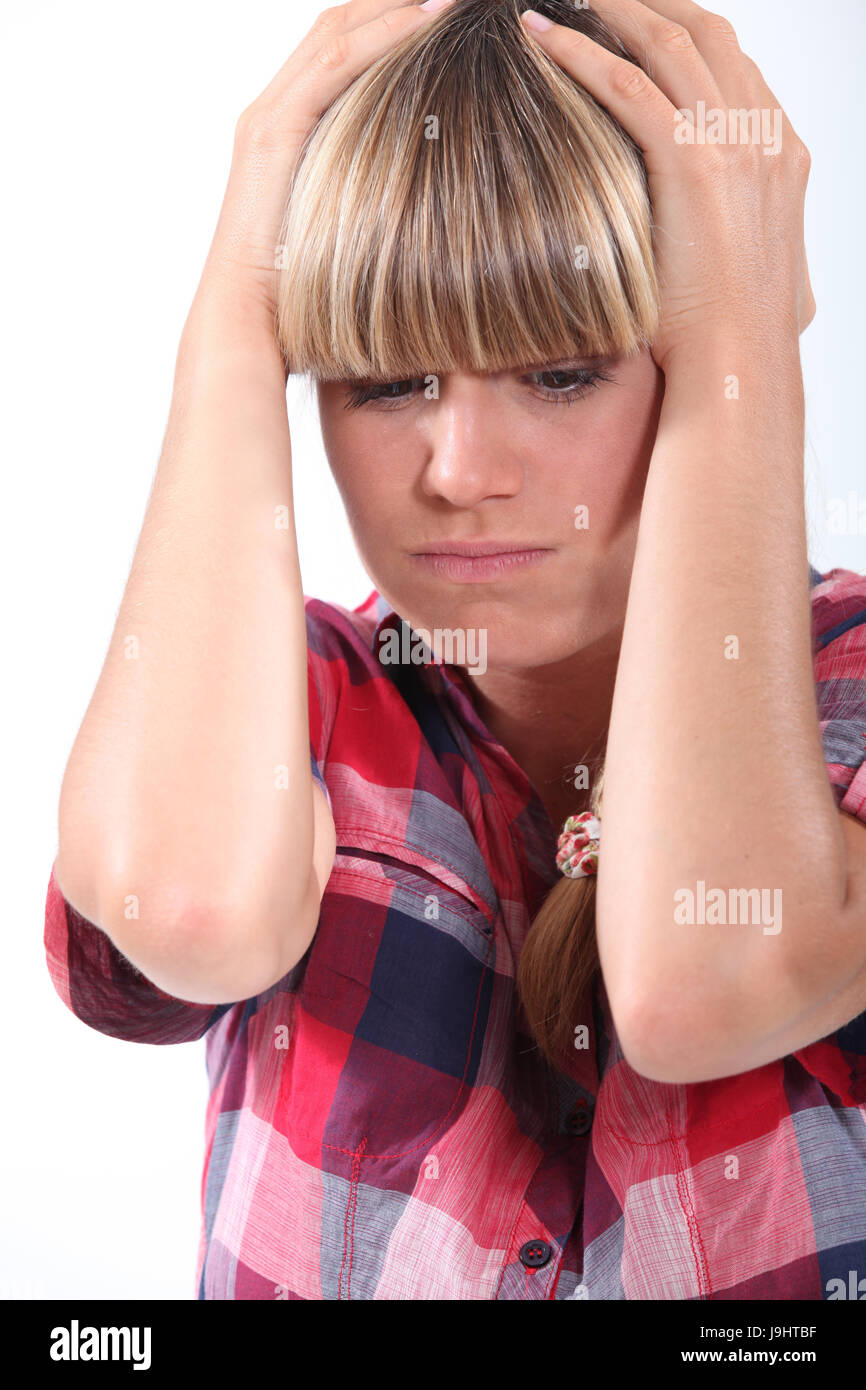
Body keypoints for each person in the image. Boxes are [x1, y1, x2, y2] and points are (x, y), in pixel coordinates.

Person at [45, 0, 866, 1300]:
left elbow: (699, 979)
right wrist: (230, 324)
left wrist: (745, 345)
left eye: (558, 372)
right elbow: (185, 911)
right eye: (381, 380)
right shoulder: (293, 703)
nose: (462, 473)